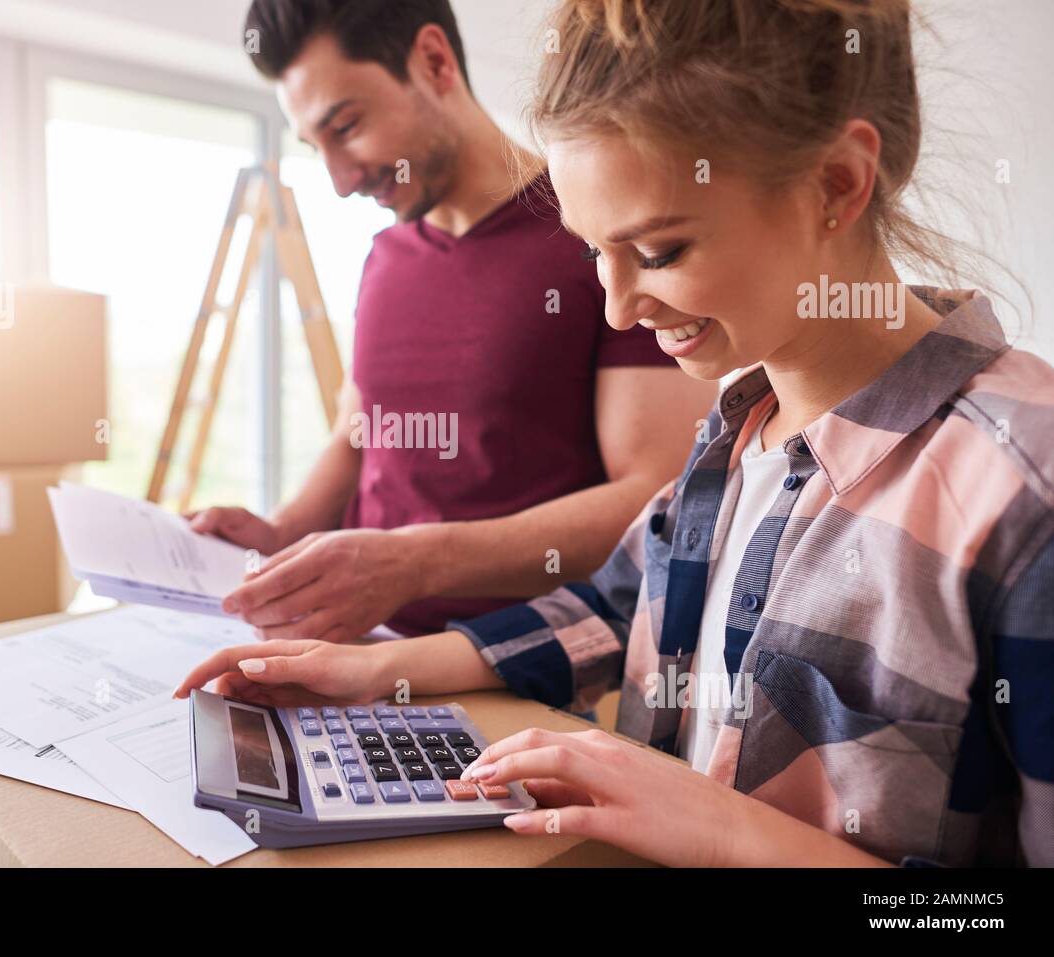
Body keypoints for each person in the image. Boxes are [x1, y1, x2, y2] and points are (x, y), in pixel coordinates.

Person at [176, 0, 1053, 867]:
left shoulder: (1023, 491)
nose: (620, 306)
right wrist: (374, 673)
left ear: (836, 184)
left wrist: (719, 826)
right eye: (595, 251)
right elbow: (616, 607)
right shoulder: (736, 427)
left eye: (661, 252)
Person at [188, 0, 715, 641]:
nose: (340, 180)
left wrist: (417, 564)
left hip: (516, 668)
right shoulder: (384, 256)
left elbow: (655, 497)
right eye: (316, 147)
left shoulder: (598, 236)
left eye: (347, 126)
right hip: (356, 649)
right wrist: (279, 533)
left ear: (434, 61)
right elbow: (357, 438)